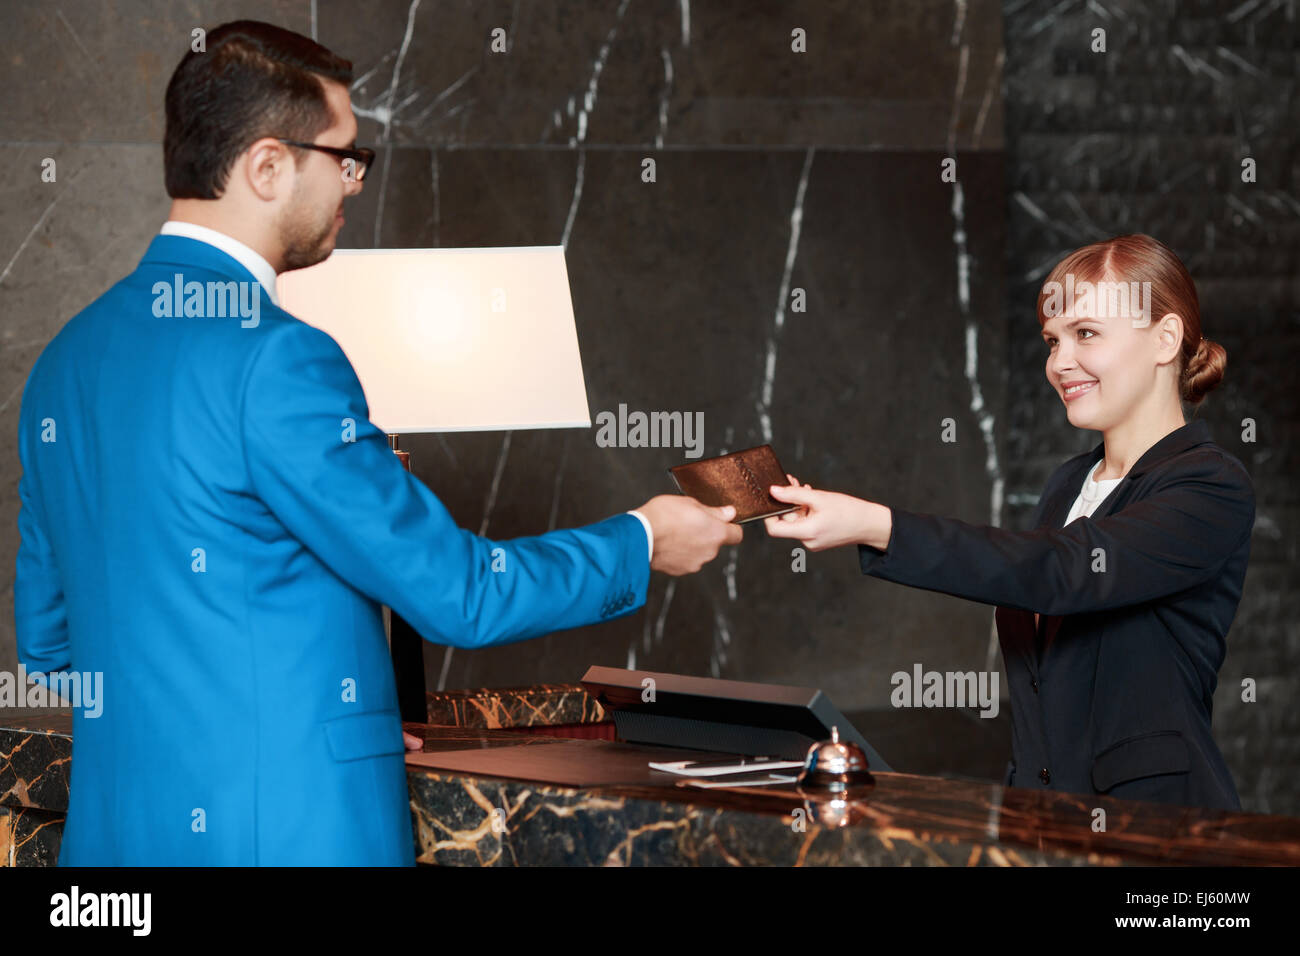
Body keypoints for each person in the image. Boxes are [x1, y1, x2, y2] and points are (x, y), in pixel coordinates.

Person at [13, 20, 741, 866]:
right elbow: (459, 594)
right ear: (267, 166)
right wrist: (645, 539)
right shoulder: (278, 357)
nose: (353, 183)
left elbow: (53, 649)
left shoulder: (63, 363)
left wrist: (320, 718)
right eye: (345, 156)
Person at [764, 234, 1253, 811]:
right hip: (1044, 829)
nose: (1059, 363)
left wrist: (879, 526)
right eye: (1052, 341)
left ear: (1165, 340)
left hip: (1158, 836)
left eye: (1086, 334)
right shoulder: (1070, 483)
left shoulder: (1209, 485)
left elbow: (1063, 571)